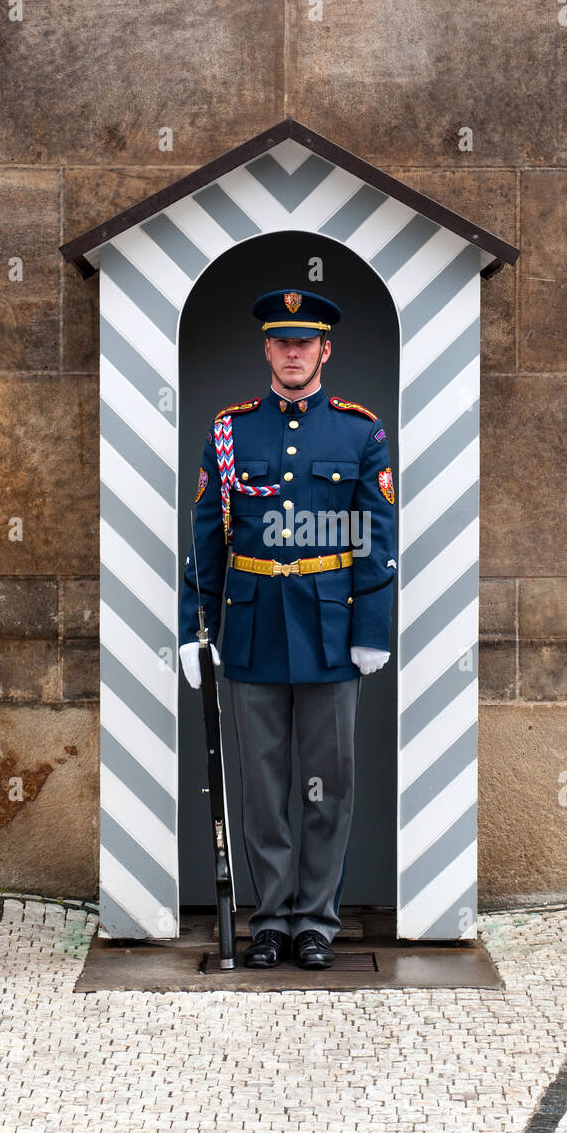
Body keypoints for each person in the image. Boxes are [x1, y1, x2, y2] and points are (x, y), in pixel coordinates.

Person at [178, 288, 397, 969]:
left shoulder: (359, 432)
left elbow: (375, 536)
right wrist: (195, 624)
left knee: (328, 786)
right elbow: (207, 535)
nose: (294, 352)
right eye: (282, 341)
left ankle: (316, 923)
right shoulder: (231, 431)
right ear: (267, 349)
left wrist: (373, 627)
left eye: (306, 342)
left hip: (331, 630)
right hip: (251, 629)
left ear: (325, 349)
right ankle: (269, 920)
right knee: (263, 788)